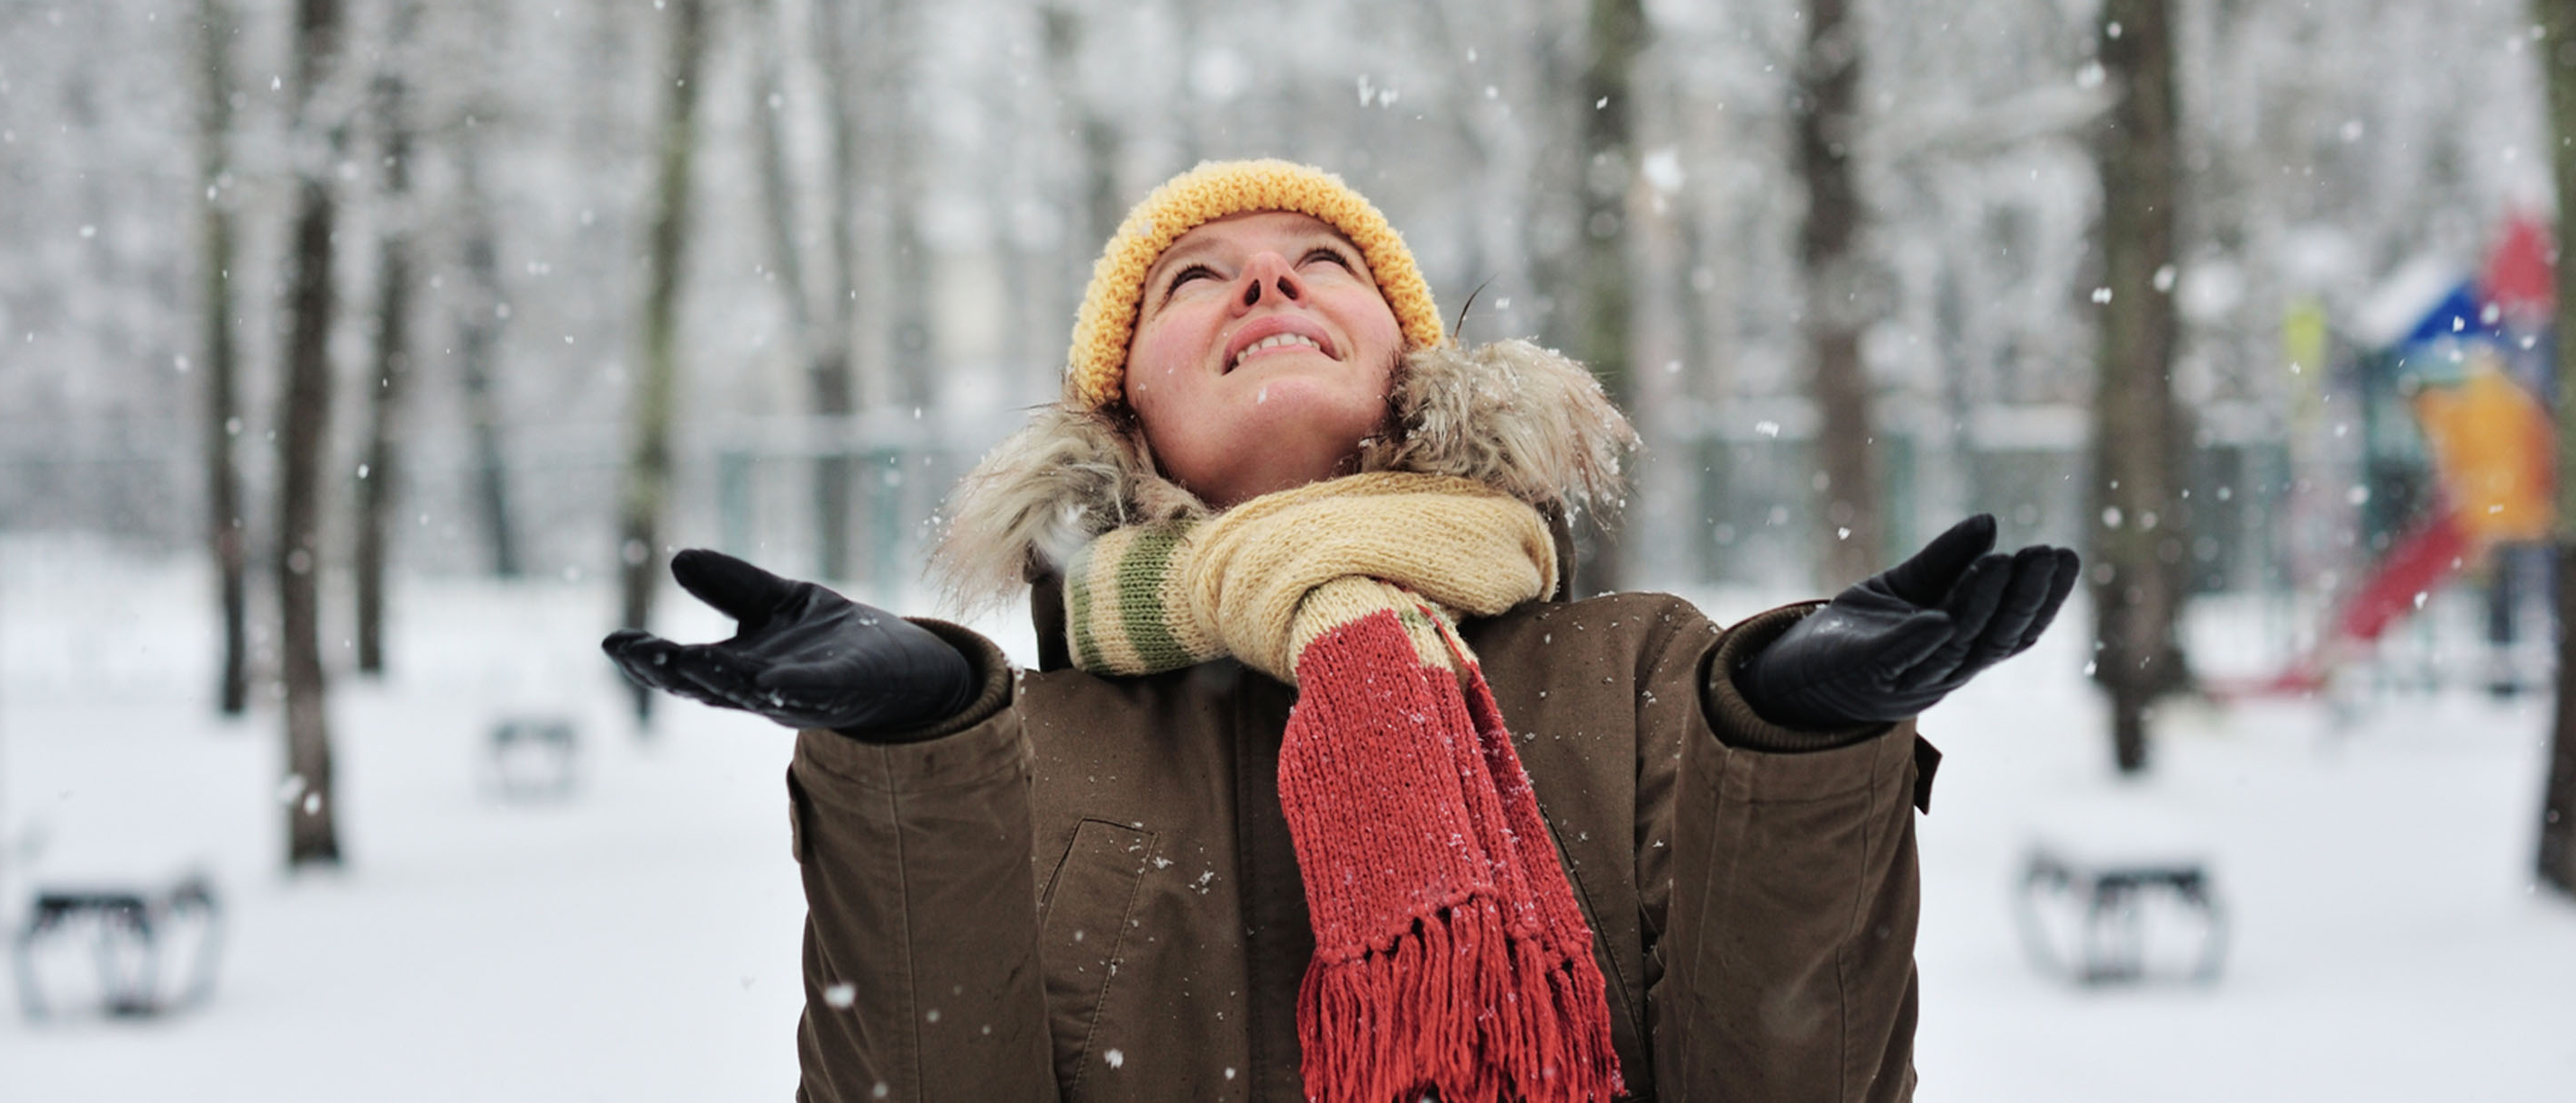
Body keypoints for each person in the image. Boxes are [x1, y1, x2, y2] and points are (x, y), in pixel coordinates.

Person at [608, 160, 2078, 1103]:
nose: (1265, 281)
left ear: (1413, 372)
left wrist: (1797, 751)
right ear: (1121, 418)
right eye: (1198, 277)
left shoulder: (1644, 680)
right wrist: (915, 769)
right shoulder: (1023, 750)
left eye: (1323, 259)